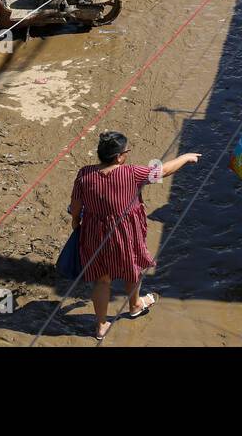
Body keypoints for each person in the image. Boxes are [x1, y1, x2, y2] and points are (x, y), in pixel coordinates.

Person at [70, 131, 200, 340]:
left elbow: (76, 205)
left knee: (102, 281)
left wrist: (76, 222)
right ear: (119, 156)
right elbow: (162, 171)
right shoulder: (131, 173)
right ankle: (135, 305)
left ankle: (101, 326)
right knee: (133, 269)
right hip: (125, 231)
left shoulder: (84, 174)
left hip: (94, 232)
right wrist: (185, 158)